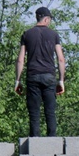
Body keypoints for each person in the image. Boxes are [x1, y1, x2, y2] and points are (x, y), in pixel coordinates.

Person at [15, 7, 65, 137]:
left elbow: (20, 60)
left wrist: (17, 81)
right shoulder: (53, 35)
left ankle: (34, 147)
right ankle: (52, 143)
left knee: (34, 114)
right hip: (49, 77)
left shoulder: (27, 34)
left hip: (33, 76)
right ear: (46, 19)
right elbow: (60, 59)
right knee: (50, 112)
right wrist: (61, 81)